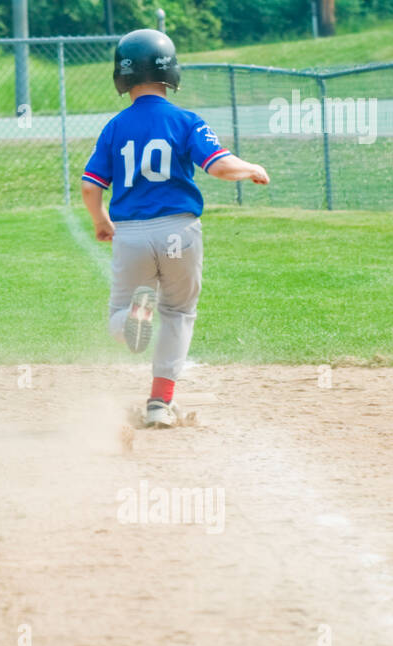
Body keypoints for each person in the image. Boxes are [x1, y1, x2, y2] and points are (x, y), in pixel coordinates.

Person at [81, 29, 270, 427]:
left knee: (121, 313)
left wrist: (101, 221)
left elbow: (90, 185)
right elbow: (218, 165)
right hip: (180, 232)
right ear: (171, 73)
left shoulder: (115, 127)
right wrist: (250, 168)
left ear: (123, 76)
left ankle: (135, 316)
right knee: (179, 312)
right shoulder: (185, 120)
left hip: (131, 233)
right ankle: (159, 404)